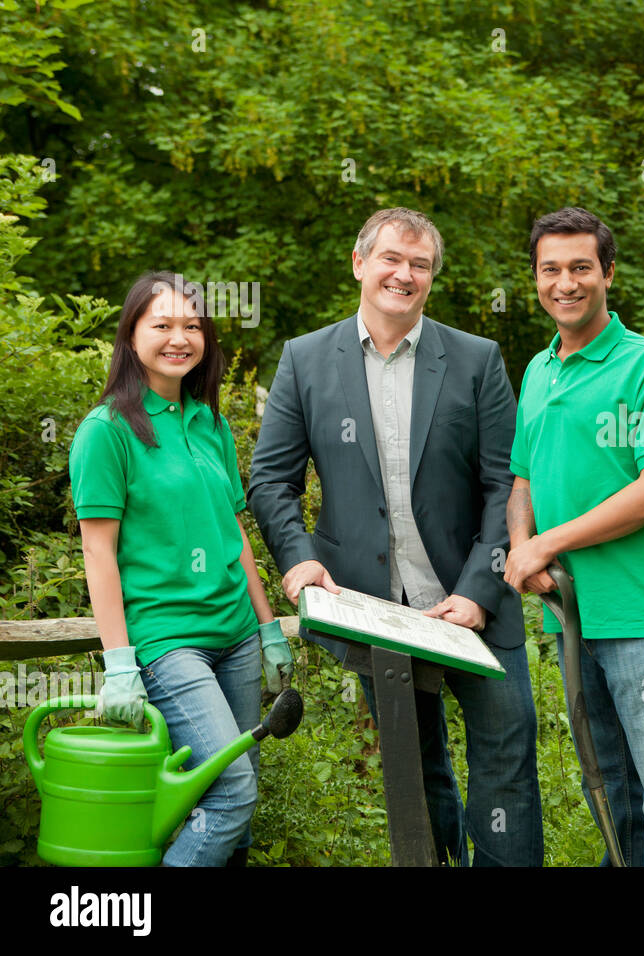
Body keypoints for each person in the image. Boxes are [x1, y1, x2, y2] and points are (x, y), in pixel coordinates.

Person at [248, 208, 542, 867]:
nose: (403, 275)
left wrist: (479, 591)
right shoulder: (305, 360)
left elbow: (507, 485)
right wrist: (299, 561)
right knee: (416, 763)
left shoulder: (474, 360)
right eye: (391, 259)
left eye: (419, 265)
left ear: (431, 278)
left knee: (506, 754)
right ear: (360, 263)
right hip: (372, 607)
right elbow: (270, 480)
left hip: (474, 604)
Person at [503, 206, 644, 867]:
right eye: (551, 269)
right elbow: (522, 482)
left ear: (608, 273)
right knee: (607, 787)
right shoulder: (538, 371)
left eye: (580, 268)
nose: (565, 283)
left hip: (637, 613)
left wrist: (549, 543)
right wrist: (521, 547)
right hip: (570, 613)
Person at [70, 271, 290, 867]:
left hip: (239, 636)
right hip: (170, 644)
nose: (179, 338)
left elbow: (233, 532)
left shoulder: (211, 424)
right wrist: (120, 663)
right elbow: (99, 555)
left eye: (192, 325)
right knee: (231, 791)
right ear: (131, 335)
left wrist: (268, 626)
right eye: (161, 324)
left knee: (238, 811)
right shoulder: (106, 432)